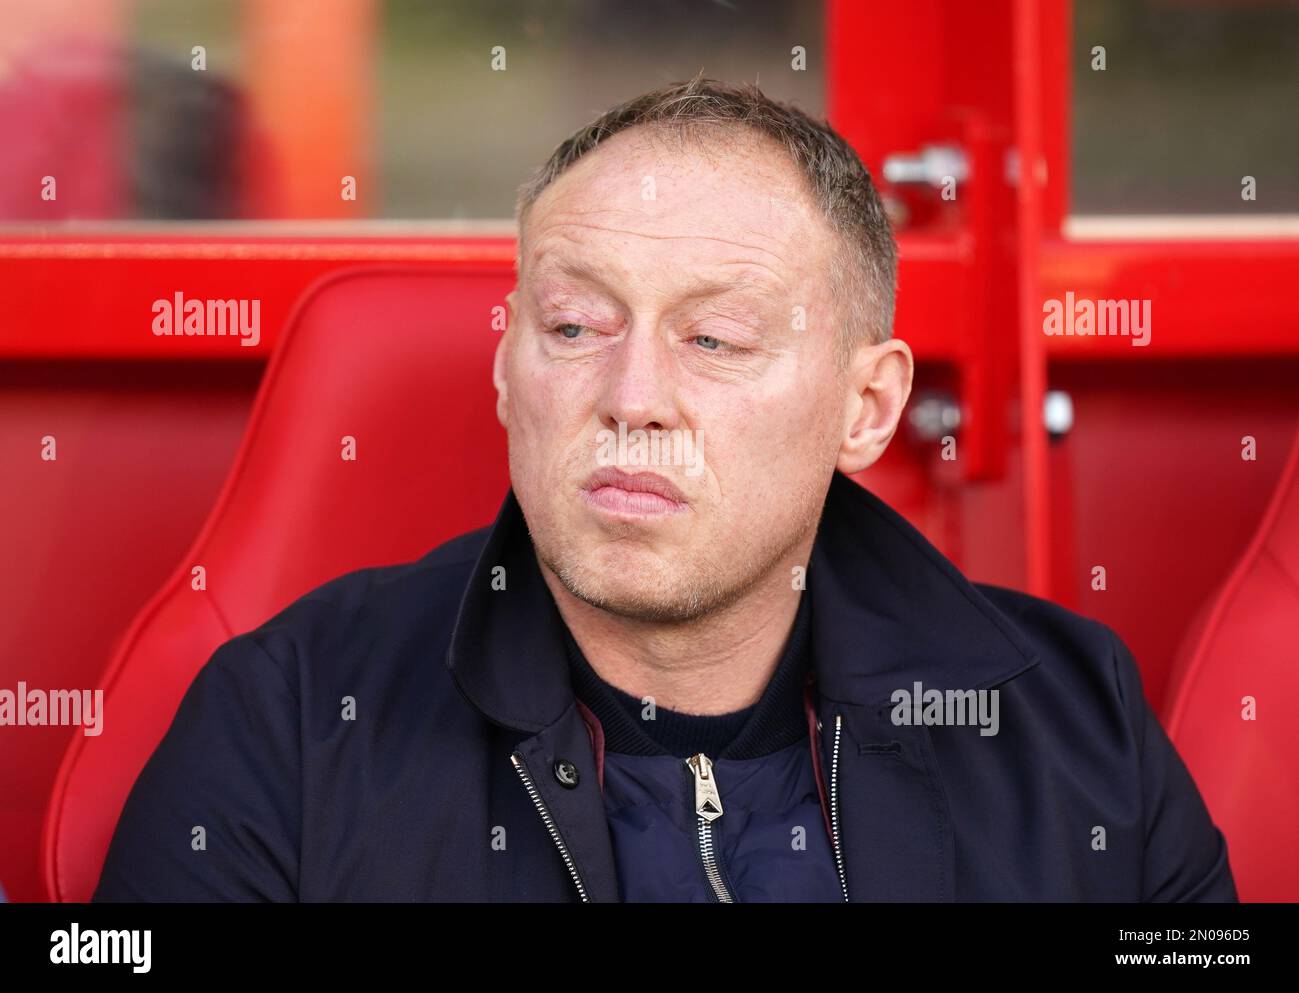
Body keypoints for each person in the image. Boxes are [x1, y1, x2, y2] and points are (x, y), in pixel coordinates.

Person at [93, 75, 1236, 902]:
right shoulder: (288, 726)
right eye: (575, 325)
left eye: (717, 339)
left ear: (867, 409)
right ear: (506, 371)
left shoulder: (1072, 728)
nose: (631, 395)